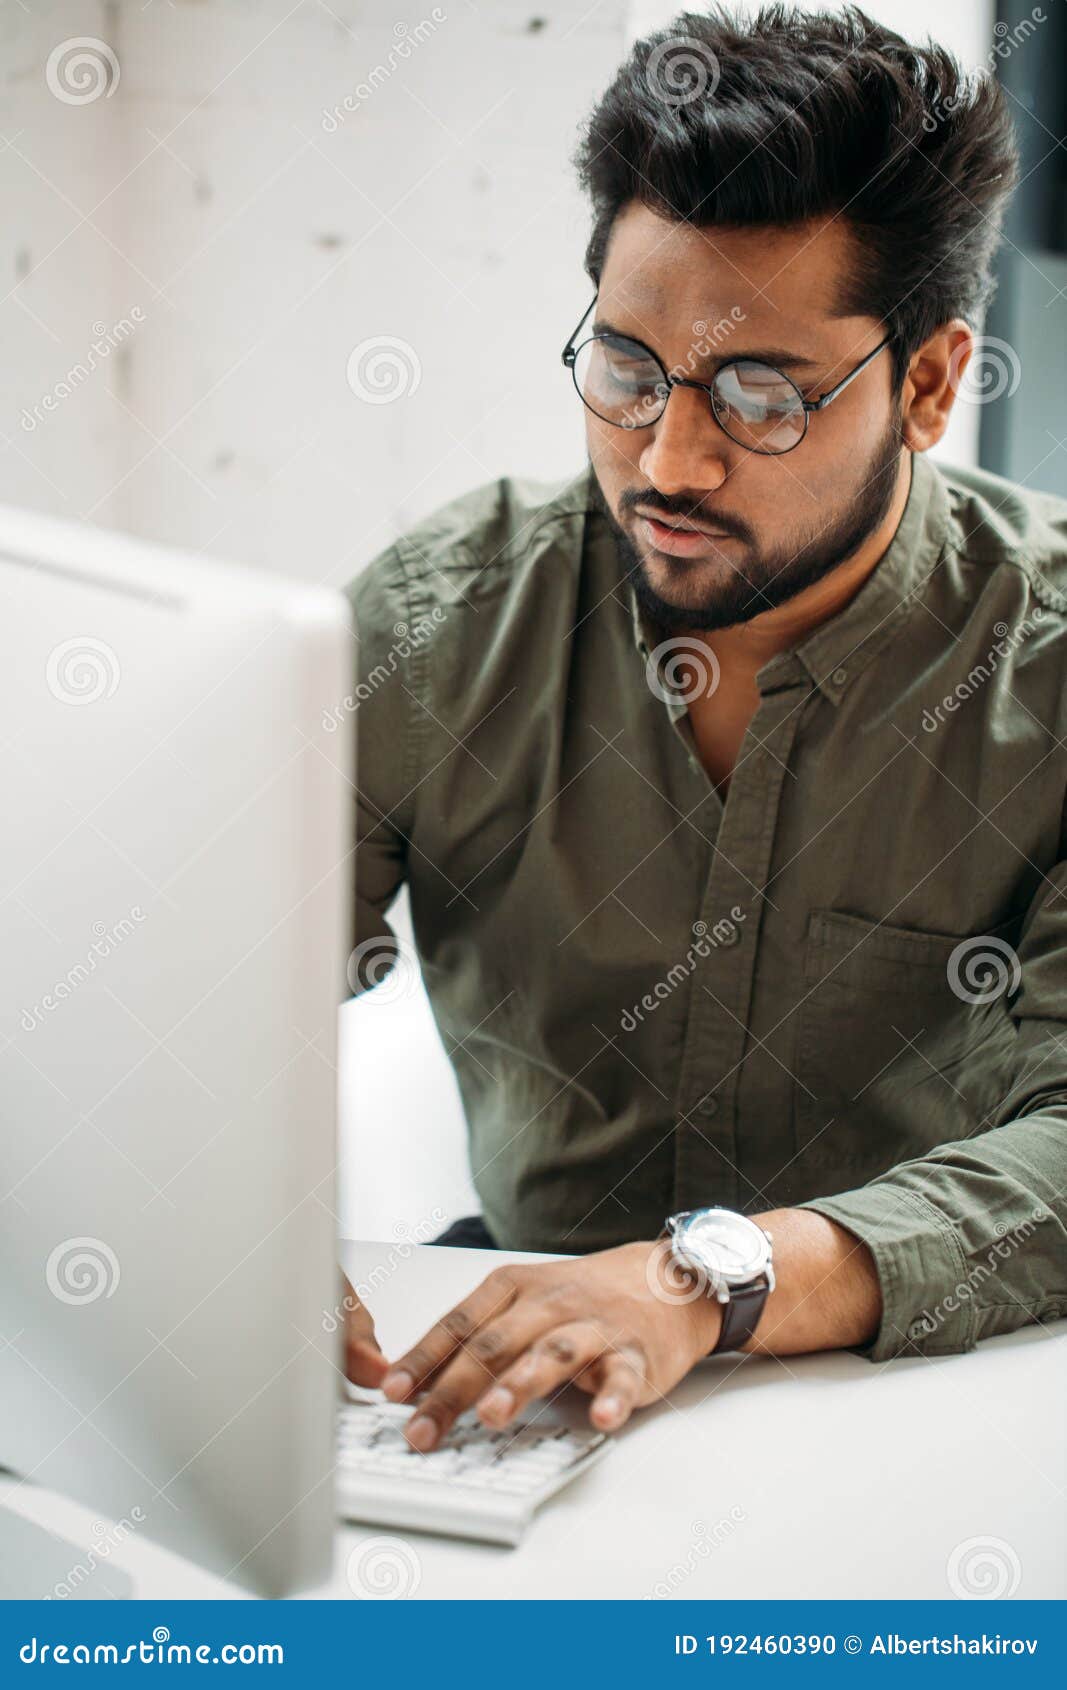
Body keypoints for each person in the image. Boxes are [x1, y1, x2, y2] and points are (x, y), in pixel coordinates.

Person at [343, 4, 1067, 1453]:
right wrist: (233, 1242)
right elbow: (192, 1009)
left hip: (928, 1404)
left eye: (762, 396)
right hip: (525, 1397)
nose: (669, 462)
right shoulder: (442, 625)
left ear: (929, 385)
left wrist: (705, 1283)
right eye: (626, 370)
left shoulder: (1044, 672)